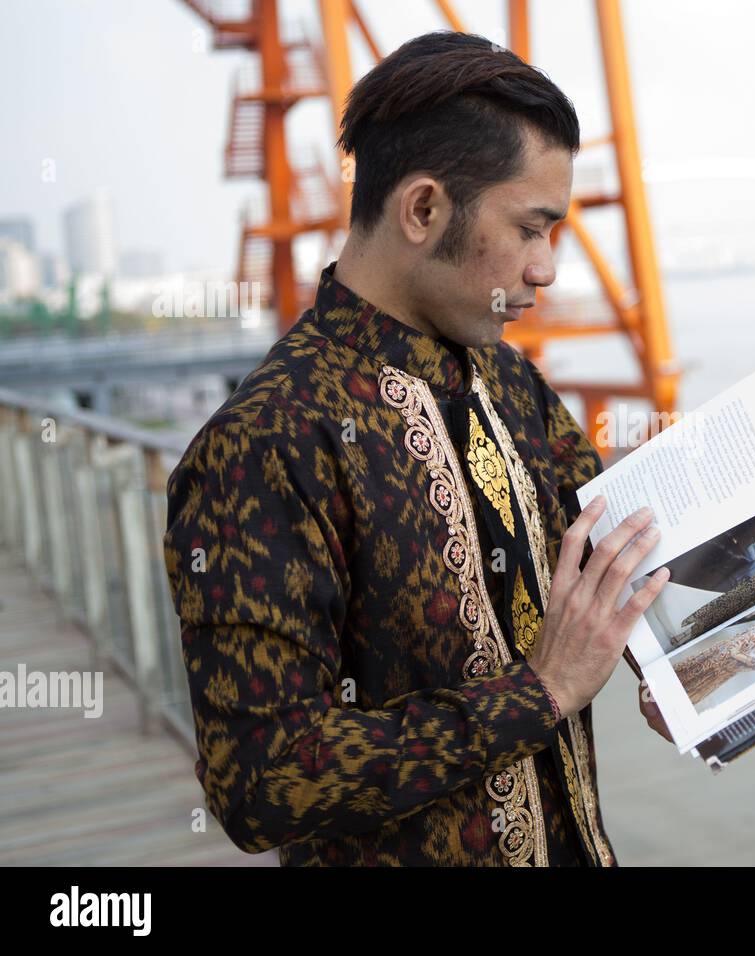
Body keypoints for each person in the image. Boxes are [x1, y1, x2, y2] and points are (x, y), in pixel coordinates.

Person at [162, 31, 671, 867]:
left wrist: (684, 668)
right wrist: (537, 694)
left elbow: (625, 543)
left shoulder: (512, 385)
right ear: (423, 209)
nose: (546, 270)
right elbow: (258, 783)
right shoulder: (265, 446)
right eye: (531, 229)